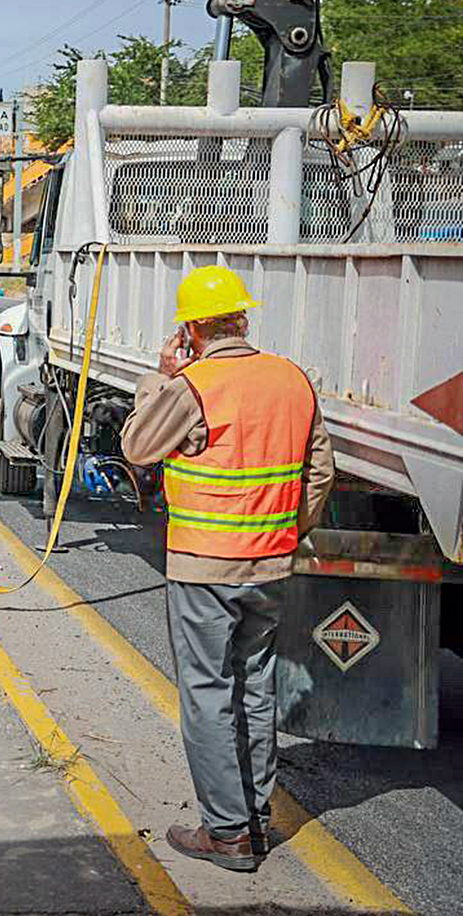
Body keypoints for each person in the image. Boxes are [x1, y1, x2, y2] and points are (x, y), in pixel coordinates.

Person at [120, 264, 334, 873]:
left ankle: (228, 833)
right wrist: (287, 533)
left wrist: (157, 381)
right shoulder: (294, 380)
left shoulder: (190, 386)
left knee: (209, 694)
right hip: (270, 567)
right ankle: (256, 817)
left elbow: (137, 445)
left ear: (190, 331)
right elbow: (319, 474)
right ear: (243, 318)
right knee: (256, 687)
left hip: (204, 570)